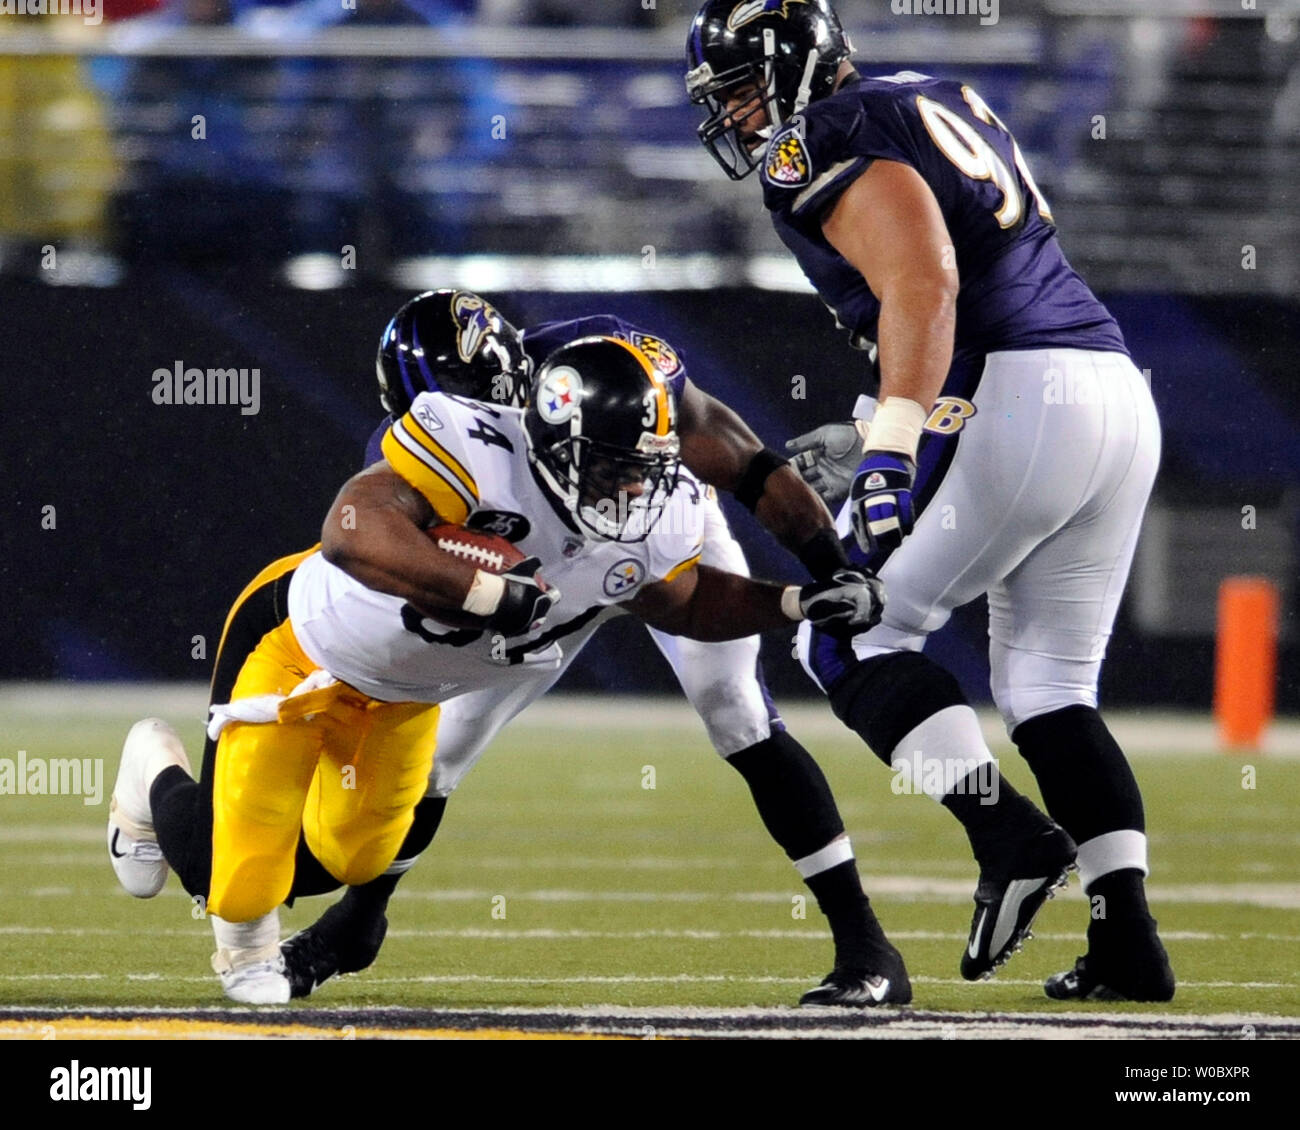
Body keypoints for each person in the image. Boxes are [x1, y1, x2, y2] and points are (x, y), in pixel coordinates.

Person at [107, 335, 894, 1005]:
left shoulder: (650, 515)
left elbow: (683, 602)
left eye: (645, 468)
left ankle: (270, 874)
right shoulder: (475, 446)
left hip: (405, 697)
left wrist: (794, 601)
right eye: (614, 465)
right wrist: (484, 591)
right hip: (299, 646)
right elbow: (351, 530)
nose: (633, 487)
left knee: (351, 861)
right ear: (555, 440)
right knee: (235, 882)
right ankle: (155, 776)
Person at [684, 0, 1174, 1001]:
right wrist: (880, 422)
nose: (733, 119)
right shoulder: (927, 95)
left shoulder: (822, 137)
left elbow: (925, 281)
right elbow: (974, 270)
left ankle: (1010, 838)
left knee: (852, 637)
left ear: (789, 70)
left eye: (737, 91)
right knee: (1048, 686)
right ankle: (1127, 939)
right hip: (1112, 392)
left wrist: (894, 441)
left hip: (1012, 391)